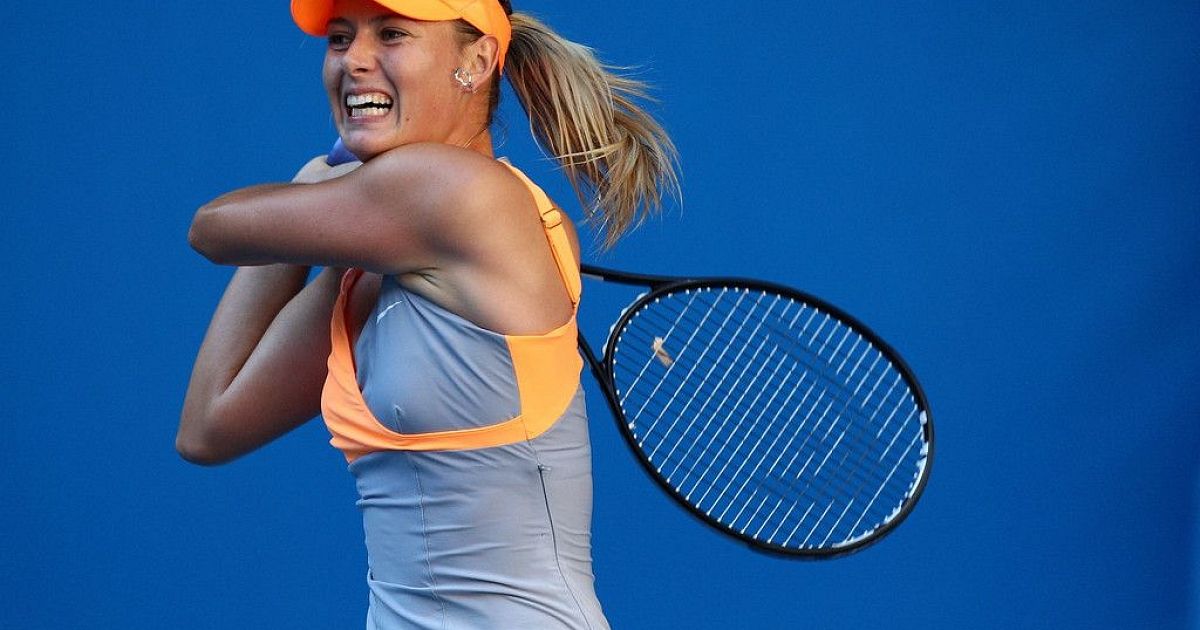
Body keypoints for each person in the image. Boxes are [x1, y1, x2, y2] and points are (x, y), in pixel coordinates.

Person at [176, 0, 679, 627]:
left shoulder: (456, 194)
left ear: (478, 60)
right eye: (340, 39)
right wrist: (325, 211)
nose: (354, 61)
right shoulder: (380, 263)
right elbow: (209, 427)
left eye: (392, 34)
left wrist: (312, 182)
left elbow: (212, 229)